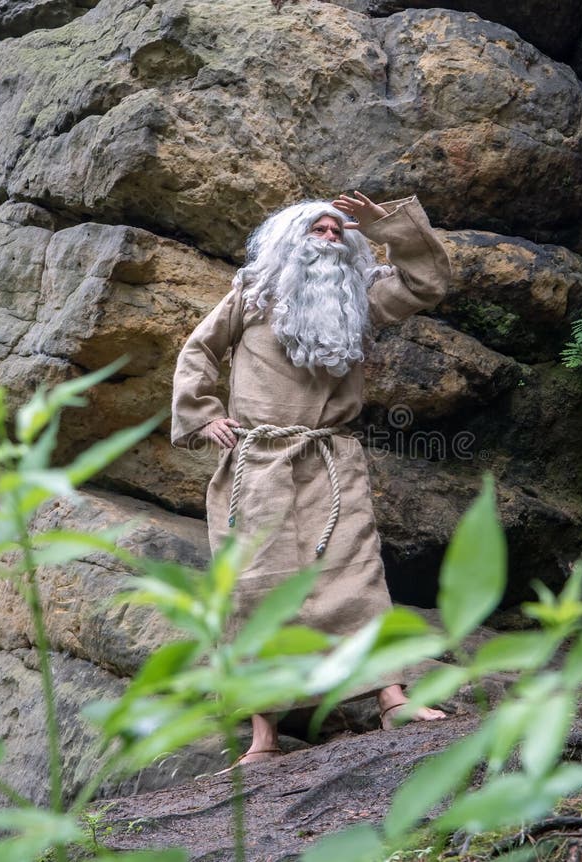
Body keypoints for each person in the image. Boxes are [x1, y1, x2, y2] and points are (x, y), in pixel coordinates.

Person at [171, 191, 451, 763]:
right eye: (316, 230)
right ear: (288, 241)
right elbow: (199, 351)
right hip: (258, 464)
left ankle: (392, 700)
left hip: (330, 462)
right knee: (254, 590)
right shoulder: (252, 293)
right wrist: (202, 416)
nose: (327, 239)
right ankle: (264, 736)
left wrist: (387, 228)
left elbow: (426, 283)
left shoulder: (360, 298)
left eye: (336, 231)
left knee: (355, 575)